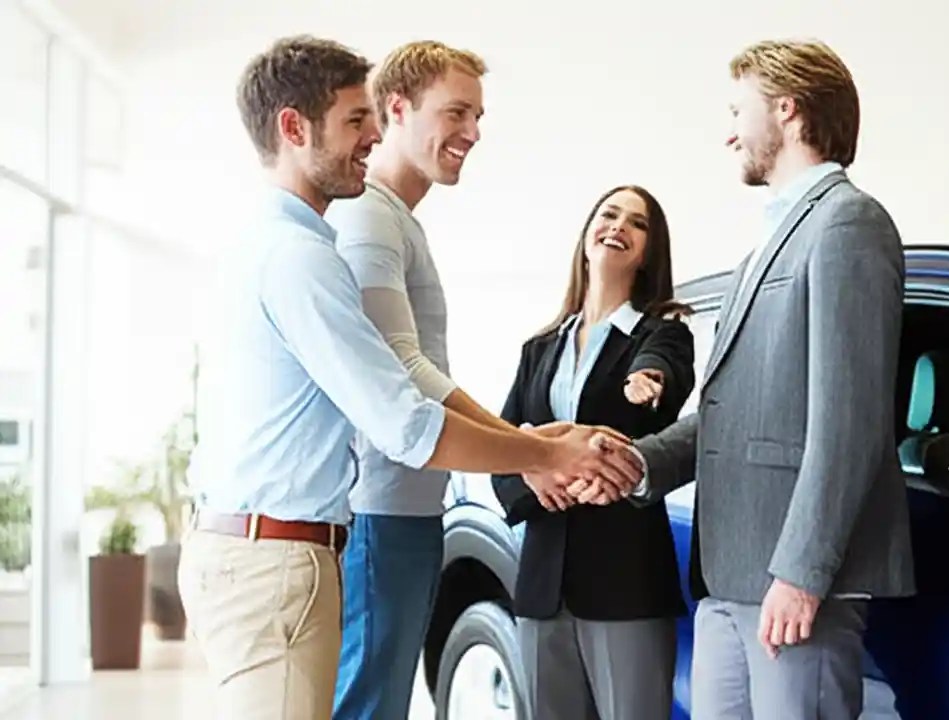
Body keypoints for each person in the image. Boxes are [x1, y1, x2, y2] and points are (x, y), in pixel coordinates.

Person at [177, 35, 639, 720]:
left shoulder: (297, 240)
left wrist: (531, 447)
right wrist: (538, 454)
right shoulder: (323, 244)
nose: (369, 135)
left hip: (292, 539)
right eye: (355, 120)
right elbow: (404, 403)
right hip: (307, 540)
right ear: (295, 128)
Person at [582, 39, 917, 718]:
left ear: (788, 109)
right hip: (728, 576)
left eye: (739, 111)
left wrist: (802, 571)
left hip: (792, 583)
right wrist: (640, 463)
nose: (730, 132)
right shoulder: (767, 245)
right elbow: (735, 412)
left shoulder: (850, 223)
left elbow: (850, 422)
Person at [324, 40, 507, 720]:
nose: (473, 132)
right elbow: (403, 364)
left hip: (404, 509)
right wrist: (529, 451)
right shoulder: (368, 215)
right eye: (456, 112)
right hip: (378, 510)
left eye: (478, 116)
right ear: (396, 108)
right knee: (368, 706)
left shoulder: (396, 219)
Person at [491, 185, 696, 720]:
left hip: (624, 583)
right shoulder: (538, 349)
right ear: (586, 236)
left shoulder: (661, 334)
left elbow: (663, 369)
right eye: (609, 214)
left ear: (649, 252)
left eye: (637, 223)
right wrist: (533, 473)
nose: (619, 227)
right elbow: (500, 452)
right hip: (543, 587)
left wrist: (648, 379)